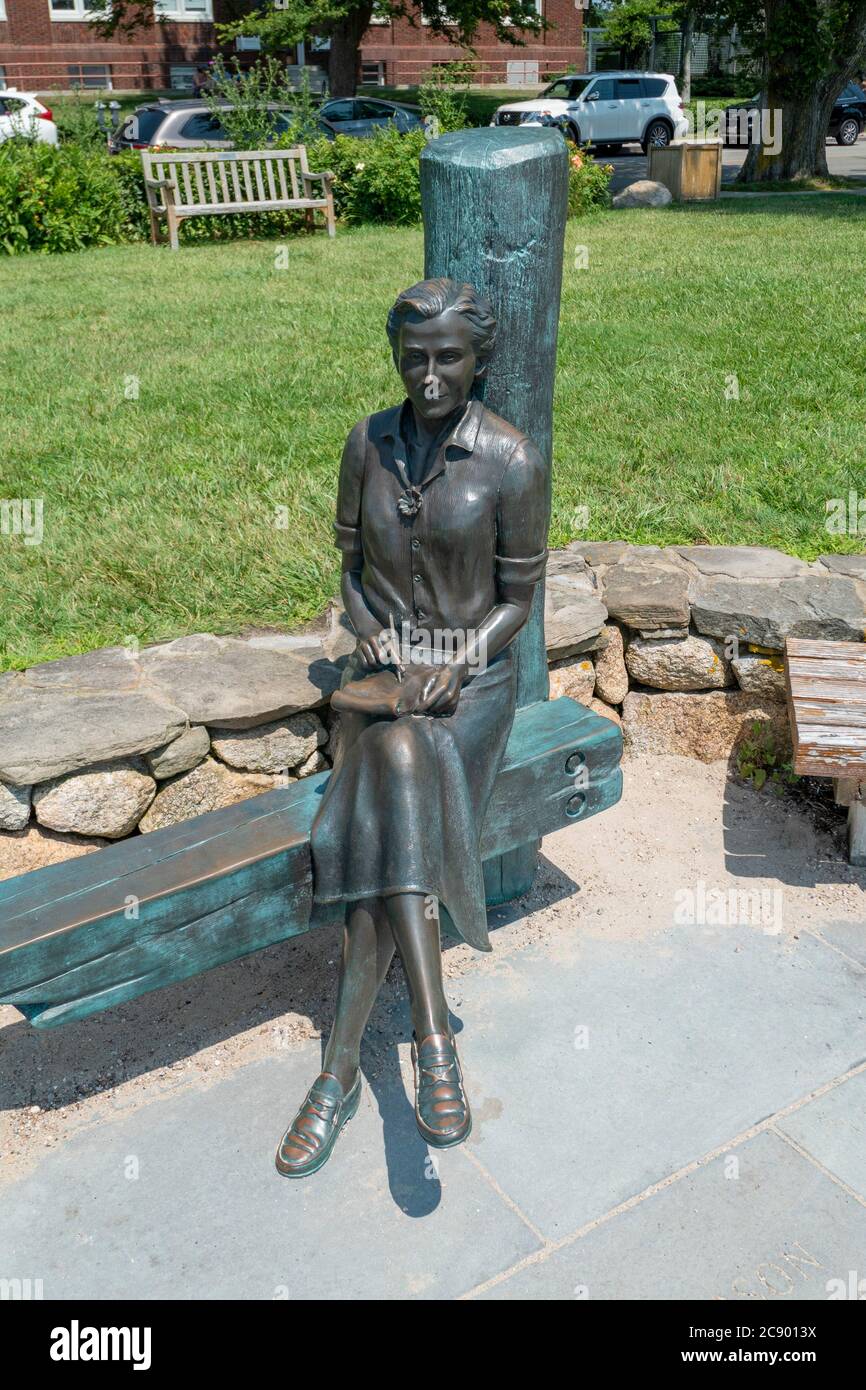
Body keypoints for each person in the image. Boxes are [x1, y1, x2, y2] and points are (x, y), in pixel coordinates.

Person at [275, 278, 549, 1177]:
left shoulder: (511, 459)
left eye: (449, 357)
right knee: (396, 756)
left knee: (397, 773)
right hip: (386, 679)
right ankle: (433, 1043)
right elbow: (350, 574)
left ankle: (340, 1071)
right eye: (413, 355)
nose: (429, 375)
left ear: (479, 361)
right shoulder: (368, 442)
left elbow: (518, 601)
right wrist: (386, 644)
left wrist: (456, 661)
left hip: (471, 689)